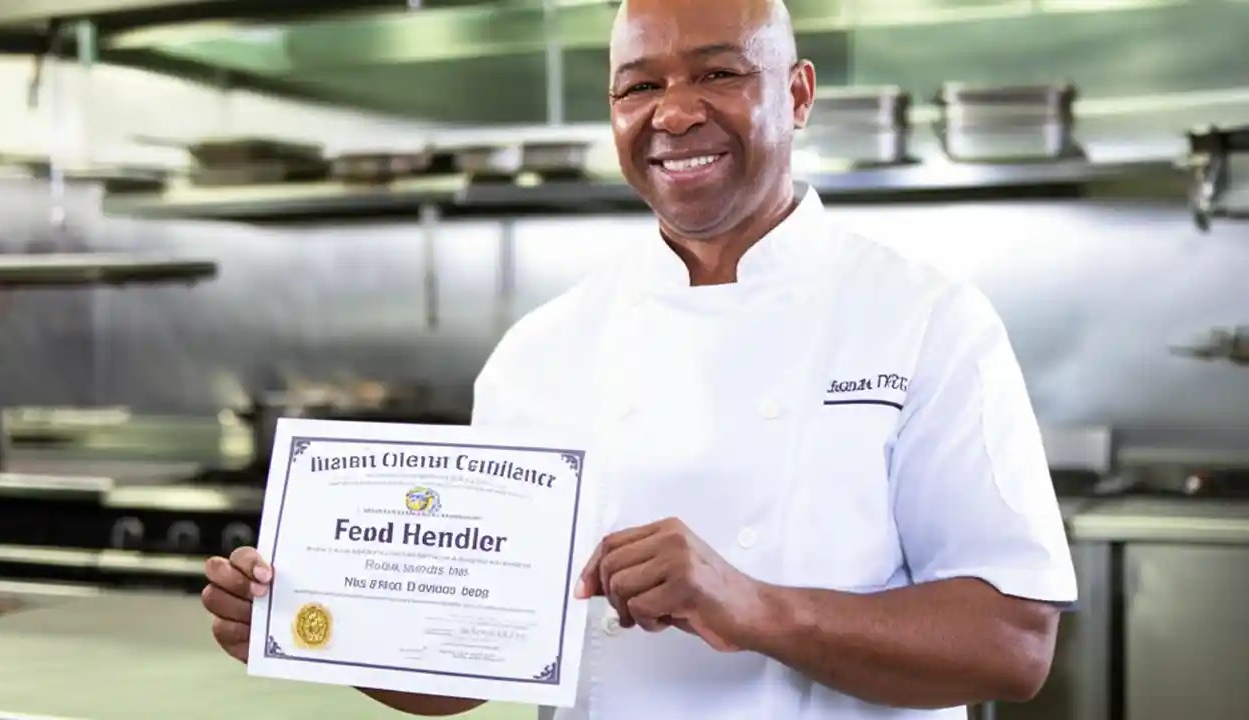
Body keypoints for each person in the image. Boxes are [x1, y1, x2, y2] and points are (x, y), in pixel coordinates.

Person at [201, 0, 1077, 717]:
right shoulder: (540, 352)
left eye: (719, 72)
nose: (675, 112)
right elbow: (468, 666)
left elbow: (1012, 644)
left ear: (799, 94)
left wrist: (751, 606)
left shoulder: (925, 319)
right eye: (639, 86)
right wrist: (316, 620)